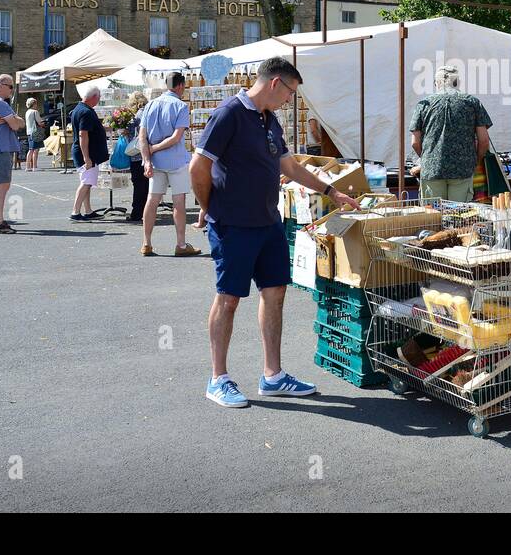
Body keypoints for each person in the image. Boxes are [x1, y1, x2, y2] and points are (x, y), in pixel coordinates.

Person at [190, 56, 361, 408]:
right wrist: (209, 206)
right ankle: (217, 378)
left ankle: (273, 376)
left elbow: (289, 167)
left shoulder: (270, 120)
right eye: (290, 93)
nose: (290, 100)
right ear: (275, 83)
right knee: (228, 298)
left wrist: (332, 192)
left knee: (275, 293)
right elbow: (198, 165)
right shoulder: (228, 114)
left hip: (268, 221)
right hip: (233, 224)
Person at [138, 71, 201, 257]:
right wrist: (155, 149)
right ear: (180, 86)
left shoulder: (150, 105)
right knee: (179, 202)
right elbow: (176, 137)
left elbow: (142, 135)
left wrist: (147, 159)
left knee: (152, 200)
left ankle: (146, 243)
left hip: (155, 163)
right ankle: (180, 244)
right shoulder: (180, 106)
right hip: (175, 160)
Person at [409, 65, 492, 203]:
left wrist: (429, 159)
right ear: (457, 82)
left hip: (431, 172)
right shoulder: (472, 102)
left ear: (436, 83)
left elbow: (415, 143)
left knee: (433, 217)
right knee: (459, 217)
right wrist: (474, 161)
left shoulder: (423, 104)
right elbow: (484, 141)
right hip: (462, 170)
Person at [0, 74, 24, 233]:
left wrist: (12, 118)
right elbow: (16, 126)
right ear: (0, 85)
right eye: (10, 86)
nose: (12, 90)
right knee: (3, 185)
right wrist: (13, 120)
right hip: (0, 148)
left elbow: (19, 122)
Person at [69, 86, 109, 221]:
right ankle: (75, 211)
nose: (98, 101)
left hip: (85, 152)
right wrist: (87, 158)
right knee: (86, 182)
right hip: (87, 153)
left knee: (87, 182)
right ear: (94, 97)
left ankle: (88, 210)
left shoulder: (79, 109)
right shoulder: (86, 112)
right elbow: (83, 135)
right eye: (98, 98)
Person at [123, 92, 148, 224]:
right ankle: (146, 211)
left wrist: (126, 129)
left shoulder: (137, 115)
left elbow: (134, 134)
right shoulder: (148, 111)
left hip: (137, 154)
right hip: (149, 153)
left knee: (138, 185)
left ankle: (137, 213)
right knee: (146, 185)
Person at [24, 98, 44, 172]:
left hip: (29, 132)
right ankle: (34, 166)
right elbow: (39, 122)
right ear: (34, 104)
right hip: (35, 132)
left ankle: (27, 166)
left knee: (30, 149)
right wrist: (43, 123)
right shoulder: (35, 112)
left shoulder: (27, 112)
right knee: (36, 150)